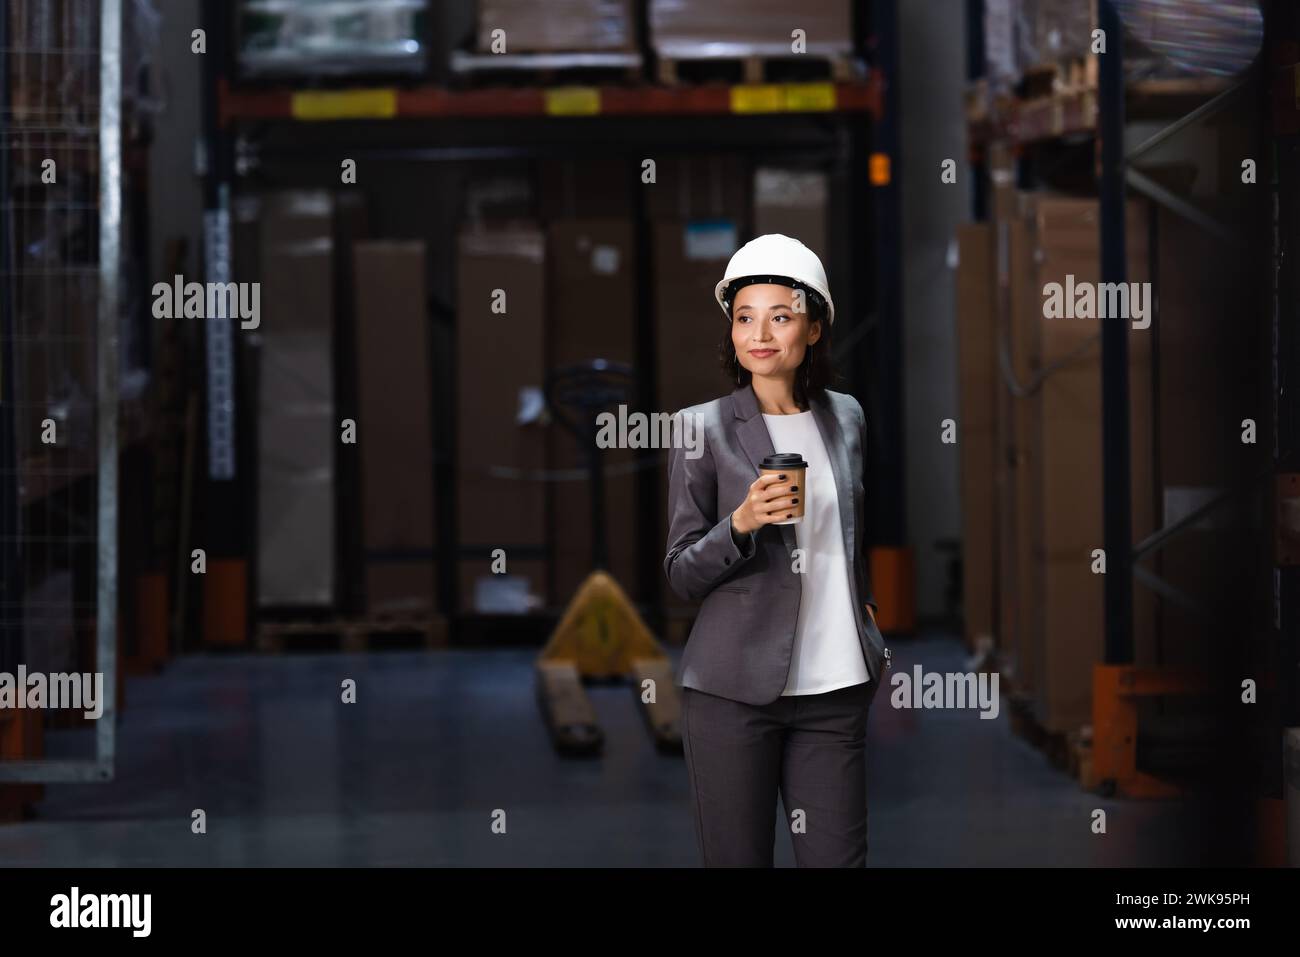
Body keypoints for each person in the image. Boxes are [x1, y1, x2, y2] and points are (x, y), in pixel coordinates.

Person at [663, 233, 890, 867]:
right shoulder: (699, 428)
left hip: (836, 687)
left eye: (781, 316)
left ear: (813, 329)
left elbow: (848, 534)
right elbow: (680, 572)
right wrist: (740, 523)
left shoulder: (847, 418)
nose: (760, 333)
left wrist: (867, 622)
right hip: (732, 696)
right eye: (744, 317)